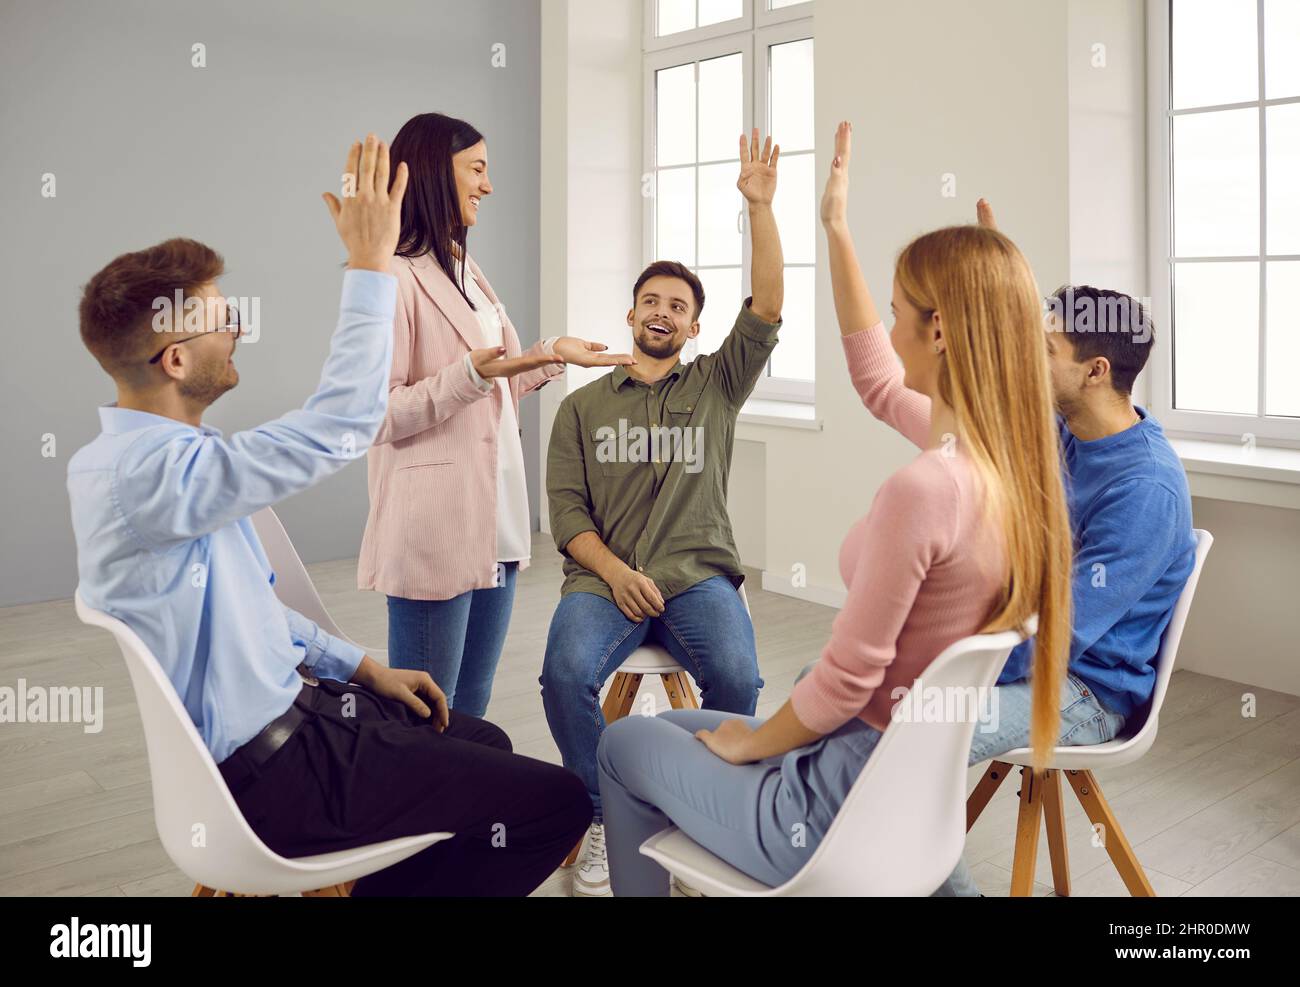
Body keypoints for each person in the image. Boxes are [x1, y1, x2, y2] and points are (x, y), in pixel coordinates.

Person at [68, 135, 591, 896]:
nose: (238, 329)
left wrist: (365, 666)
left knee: (480, 736)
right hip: (278, 772)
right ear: (174, 359)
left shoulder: (168, 461)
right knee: (559, 803)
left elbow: (257, 608)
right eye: (223, 319)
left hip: (308, 710)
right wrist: (369, 264)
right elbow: (346, 423)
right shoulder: (152, 477)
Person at [594, 120, 1075, 897]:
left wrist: (756, 747)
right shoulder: (1016, 469)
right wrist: (835, 229)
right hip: (905, 798)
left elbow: (846, 684)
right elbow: (878, 378)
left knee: (620, 746)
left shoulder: (925, 490)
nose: (888, 331)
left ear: (942, 330)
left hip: (823, 807)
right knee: (671, 730)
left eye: (899, 312)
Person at [818, 123, 1195, 895]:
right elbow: (885, 386)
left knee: (908, 733)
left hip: (1086, 691)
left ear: (1095, 370)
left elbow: (1064, 636)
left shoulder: (1145, 488)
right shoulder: (1043, 431)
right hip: (1013, 654)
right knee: (868, 711)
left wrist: (937, 669)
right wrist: (838, 231)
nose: (1025, 352)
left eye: (1042, 346)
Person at [542, 129, 784, 895]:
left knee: (739, 679)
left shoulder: (716, 383)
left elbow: (770, 302)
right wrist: (612, 572)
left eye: (677, 305)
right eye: (651, 300)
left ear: (694, 328)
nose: (662, 312)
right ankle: (608, 815)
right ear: (630, 313)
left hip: (698, 578)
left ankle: (703, 812)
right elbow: (566, 512)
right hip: (600, 581)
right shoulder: (580, 406)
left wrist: (760, 209)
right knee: (563, 673)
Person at [358, 112, 633, 718]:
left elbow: (493, 385)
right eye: (476, 170)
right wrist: (473, 375)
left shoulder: (462, 266)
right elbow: (373, 414)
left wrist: (550, 356)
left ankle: (469, 813)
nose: (487, 185)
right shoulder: (393, 278)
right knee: (427, 709)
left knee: (472, 706)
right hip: (434, 526)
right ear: (434, 173)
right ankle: (419, 817)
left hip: (497, 521)